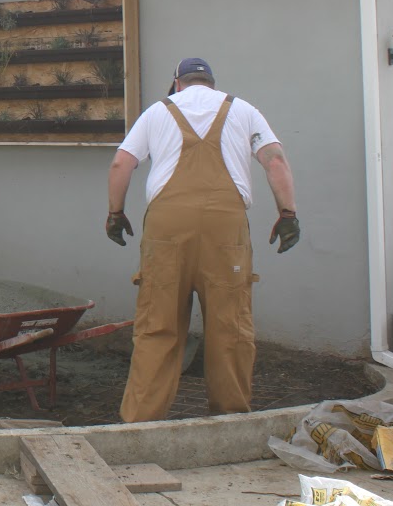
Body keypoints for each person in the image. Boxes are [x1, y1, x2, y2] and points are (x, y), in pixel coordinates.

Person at [104, 57, 299, 422]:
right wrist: (287, 214)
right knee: (230, 329)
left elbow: (121, 164)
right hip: (225, 231)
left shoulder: (157, 112)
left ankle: (140, 423)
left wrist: (116, 214)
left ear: (177, 83)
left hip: (167, 230)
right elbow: (274, 161)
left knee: (158, 327)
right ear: (210, 83)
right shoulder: (243, 110)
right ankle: (230, 419)